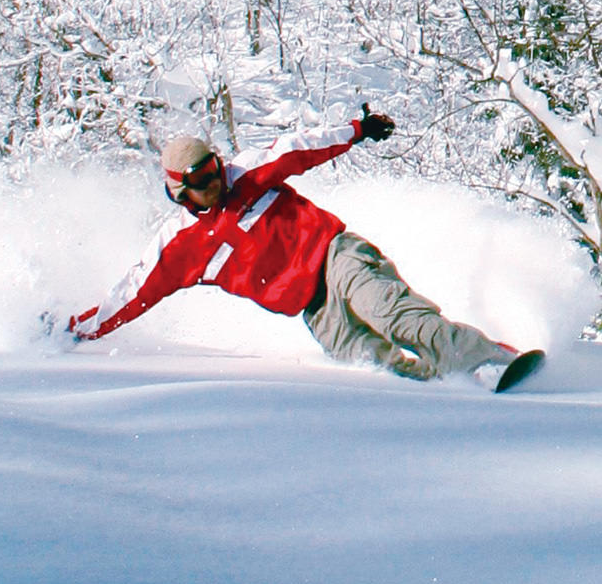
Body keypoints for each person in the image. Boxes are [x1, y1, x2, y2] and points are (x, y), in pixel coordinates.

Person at [67, 108, 544, 390]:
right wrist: (78, 332)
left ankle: (488, 360)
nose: (216, 181)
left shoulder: (248, 175)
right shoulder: (180, 247)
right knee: (372, 368)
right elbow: (132, 294)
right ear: (180, 190)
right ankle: (451, 394)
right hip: (311, 306)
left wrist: (357, 130)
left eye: (214, 167)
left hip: (337, 257)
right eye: (202, 180)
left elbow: (300, 147)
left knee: (392, 315)